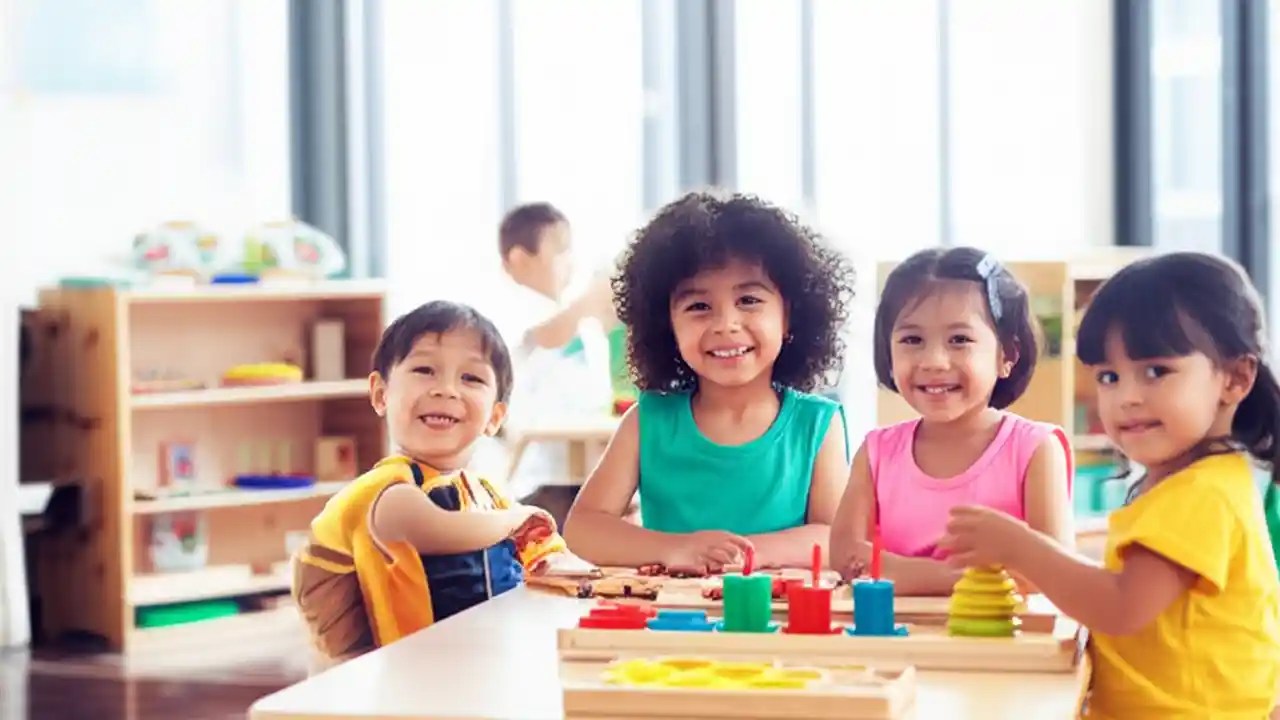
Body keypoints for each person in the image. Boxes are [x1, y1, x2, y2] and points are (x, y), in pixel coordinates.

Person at [940, 252, 1280, 718]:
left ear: (1236, 378)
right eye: (1109, 377)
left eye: (1156, 371)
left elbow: (1121, 607)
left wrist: (1021, 548)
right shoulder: (1203, 480)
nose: (1127, 397)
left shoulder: (1201, 493)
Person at [562, 190, 855, 572]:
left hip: (782, 625)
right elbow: (583, 529)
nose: (726, 324)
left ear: (790, 316)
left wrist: (742, 553)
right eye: (699, 306)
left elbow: (836, 538)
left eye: (749, 300)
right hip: (673, 624)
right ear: (666, 326)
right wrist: (675, 549)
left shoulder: (816, 423)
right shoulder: (648, 421)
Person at [291, 301, 581, 669]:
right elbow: (434, 529)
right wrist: (518, 519)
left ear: (494, 417)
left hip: (470, 660)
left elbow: (541, 553)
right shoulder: (386, 490)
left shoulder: (486, 494)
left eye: (471, 378)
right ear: (381, 394)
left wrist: (575, 570)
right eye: (425, 370)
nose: (446, 389)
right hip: (386, 678)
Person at [828, 247, 1075, 595]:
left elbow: (1055, 573)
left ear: (1008, 355)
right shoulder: (876, 451)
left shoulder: (1035, 448)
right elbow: (846, 558)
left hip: (1002, 642)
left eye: (960, 340)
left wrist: (900, 573)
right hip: (894, 640)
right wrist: (978, 578)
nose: (934, 361)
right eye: (912, 340)